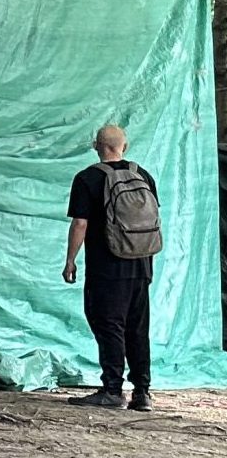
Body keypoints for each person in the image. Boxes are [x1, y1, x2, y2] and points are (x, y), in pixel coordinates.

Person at [63, 123, 162, 412]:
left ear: (97, 146)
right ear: (124, 147)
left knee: (109, 326)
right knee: (137, 328)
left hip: (107, 268)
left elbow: (80, 223)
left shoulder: (87, 178)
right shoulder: (142, 175)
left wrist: (70, 260)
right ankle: (142, 393)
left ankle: (112, 389)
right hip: (142, 264)